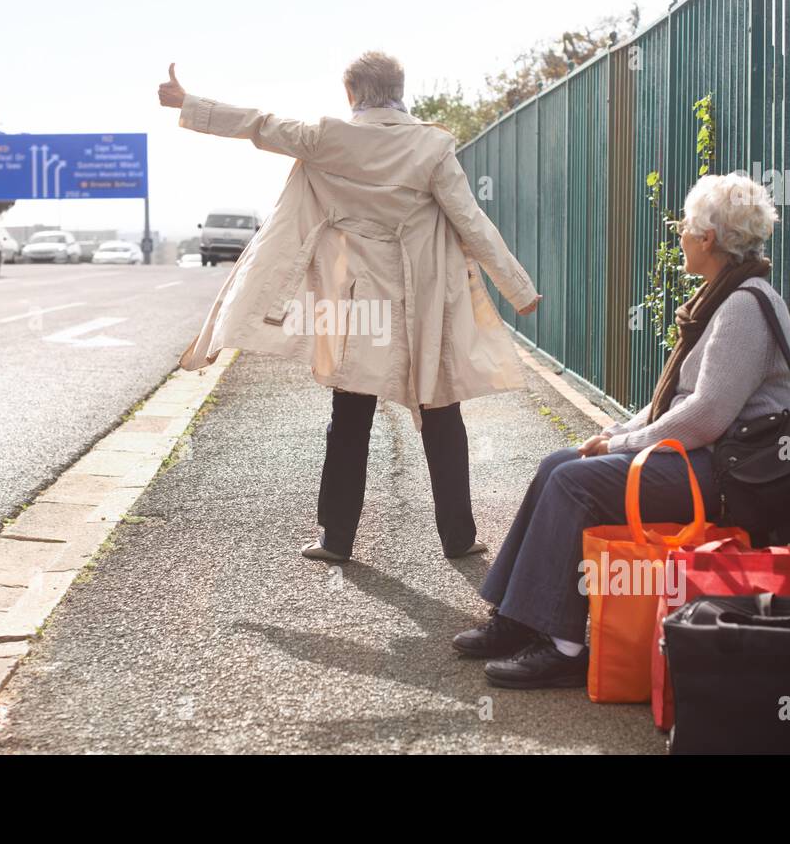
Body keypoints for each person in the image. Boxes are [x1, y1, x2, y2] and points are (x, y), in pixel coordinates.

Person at [158, 53, 539, 563]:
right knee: (441, 413)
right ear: (401, 89)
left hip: (357, 304)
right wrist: (519, 289)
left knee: (350, 416)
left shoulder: (327, 138)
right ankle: (458, 537)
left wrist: (189, 103)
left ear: (352, 93)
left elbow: (259, 124)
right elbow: (472, 223)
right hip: (420, 303)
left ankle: (336, 539)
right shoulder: (431, 145)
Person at [453, 172, 790, 689]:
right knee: (560, 462)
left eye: (685, 226)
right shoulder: (724, 296)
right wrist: (614, 432)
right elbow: (675, 401)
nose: (679, 235)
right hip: (713, 460)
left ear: (708, 239)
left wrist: (619, 445)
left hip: (734, 477)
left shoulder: (742, 308)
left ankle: (564, 646)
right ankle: (518, 617)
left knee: (576, 483)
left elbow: (706, 415)